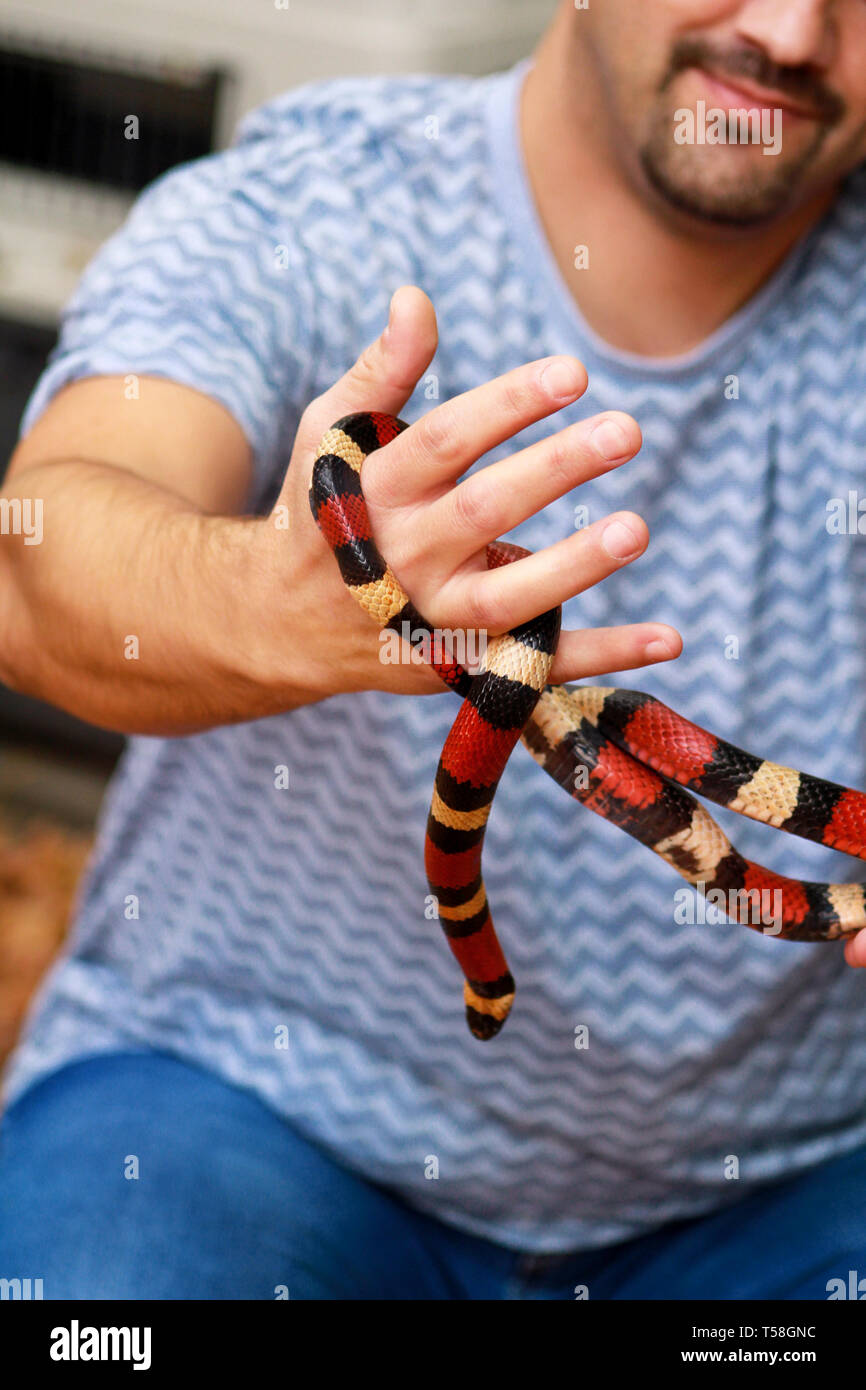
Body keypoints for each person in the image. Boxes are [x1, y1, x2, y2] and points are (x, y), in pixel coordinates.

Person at [1, 0, 865, 1301]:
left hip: (784, 1192)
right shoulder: (322, 197)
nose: (793, 31)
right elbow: (35, 564)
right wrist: (260, 602)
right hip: (241, 1106)